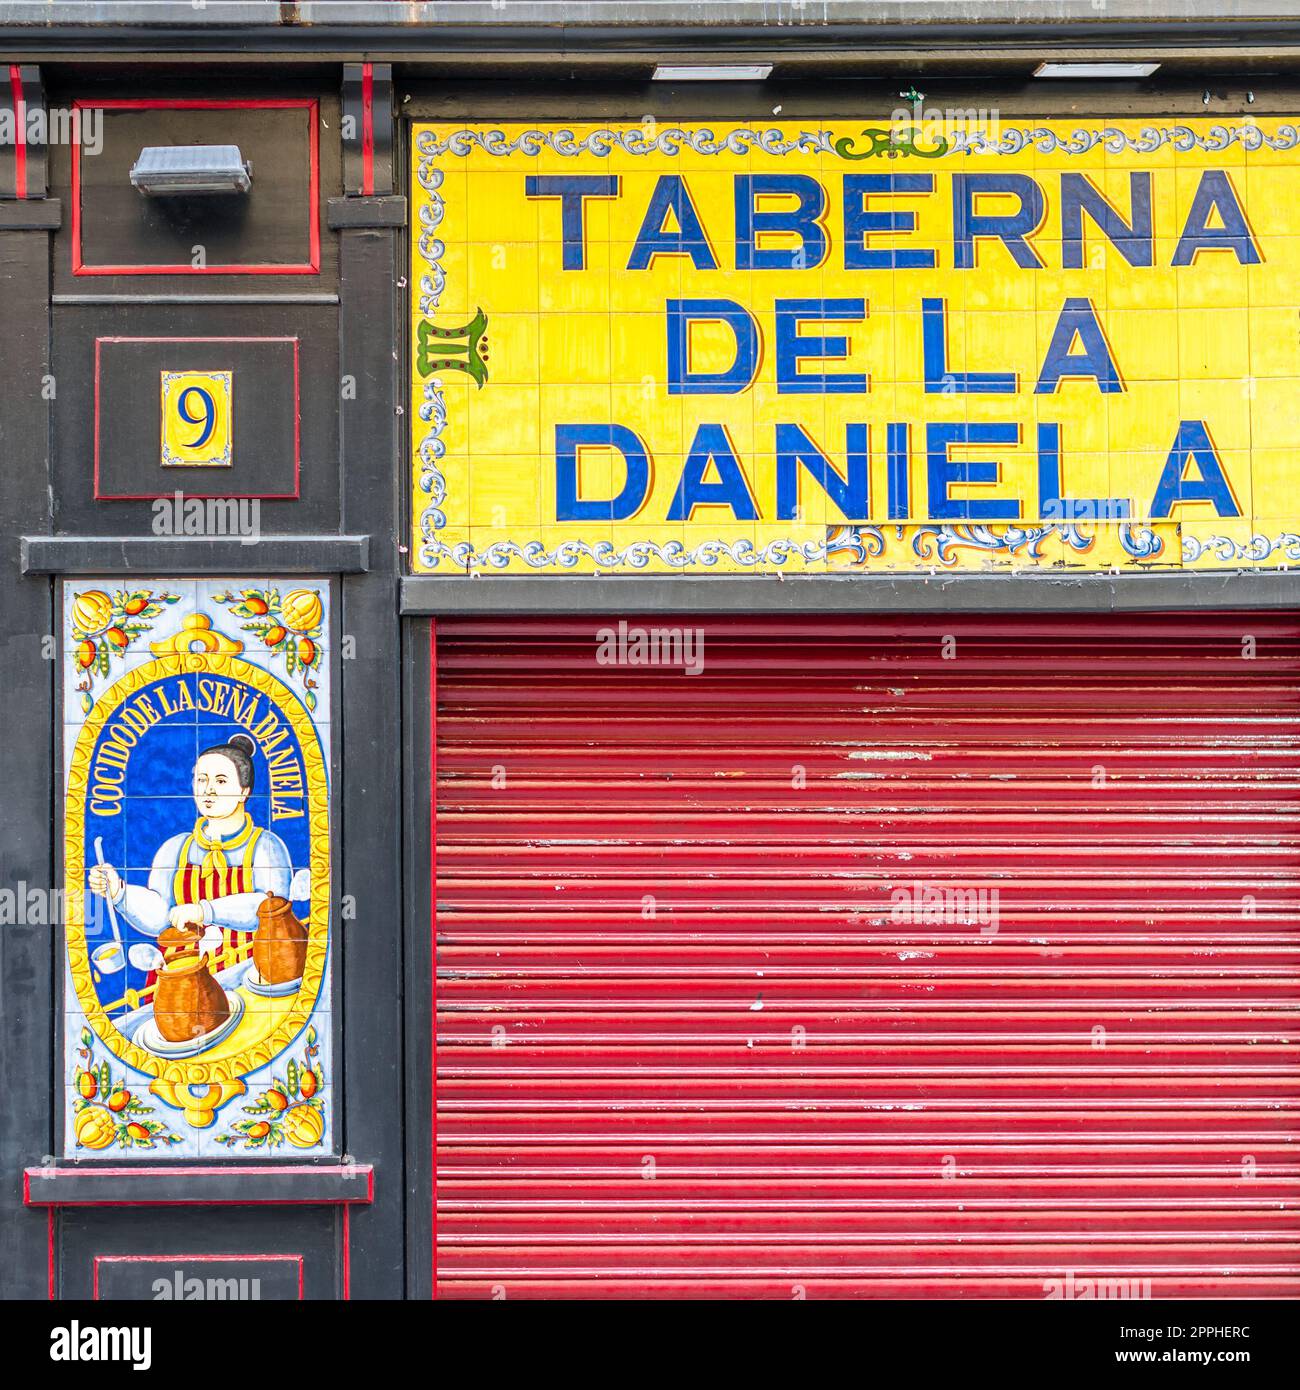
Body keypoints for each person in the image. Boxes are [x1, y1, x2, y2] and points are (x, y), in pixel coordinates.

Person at [88, 733, 292, 967]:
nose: (209, 790)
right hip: (180, 978)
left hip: (250, 974)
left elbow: (271, 910)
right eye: (202, 779)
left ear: (244, 791)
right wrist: (120, 893)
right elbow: (160, 918)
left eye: (221, 781)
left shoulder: (266, 845)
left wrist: (205, 911)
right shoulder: (176, 847)